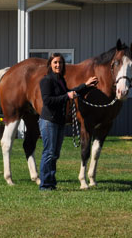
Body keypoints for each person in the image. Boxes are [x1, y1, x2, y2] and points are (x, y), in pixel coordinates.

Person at [38, 54, 98, 191]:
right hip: (49, 121)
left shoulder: (61, 80)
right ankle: (45, 185)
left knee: (55, 154)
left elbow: (70, 92)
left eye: (60, 62)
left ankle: (51, 183)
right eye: (55, 62)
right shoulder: (46, 81)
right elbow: (47, 101)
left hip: (59, 121)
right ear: (50, 64)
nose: (58, 65)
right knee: (49, 153)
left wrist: (86, 86)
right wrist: (67, 96)